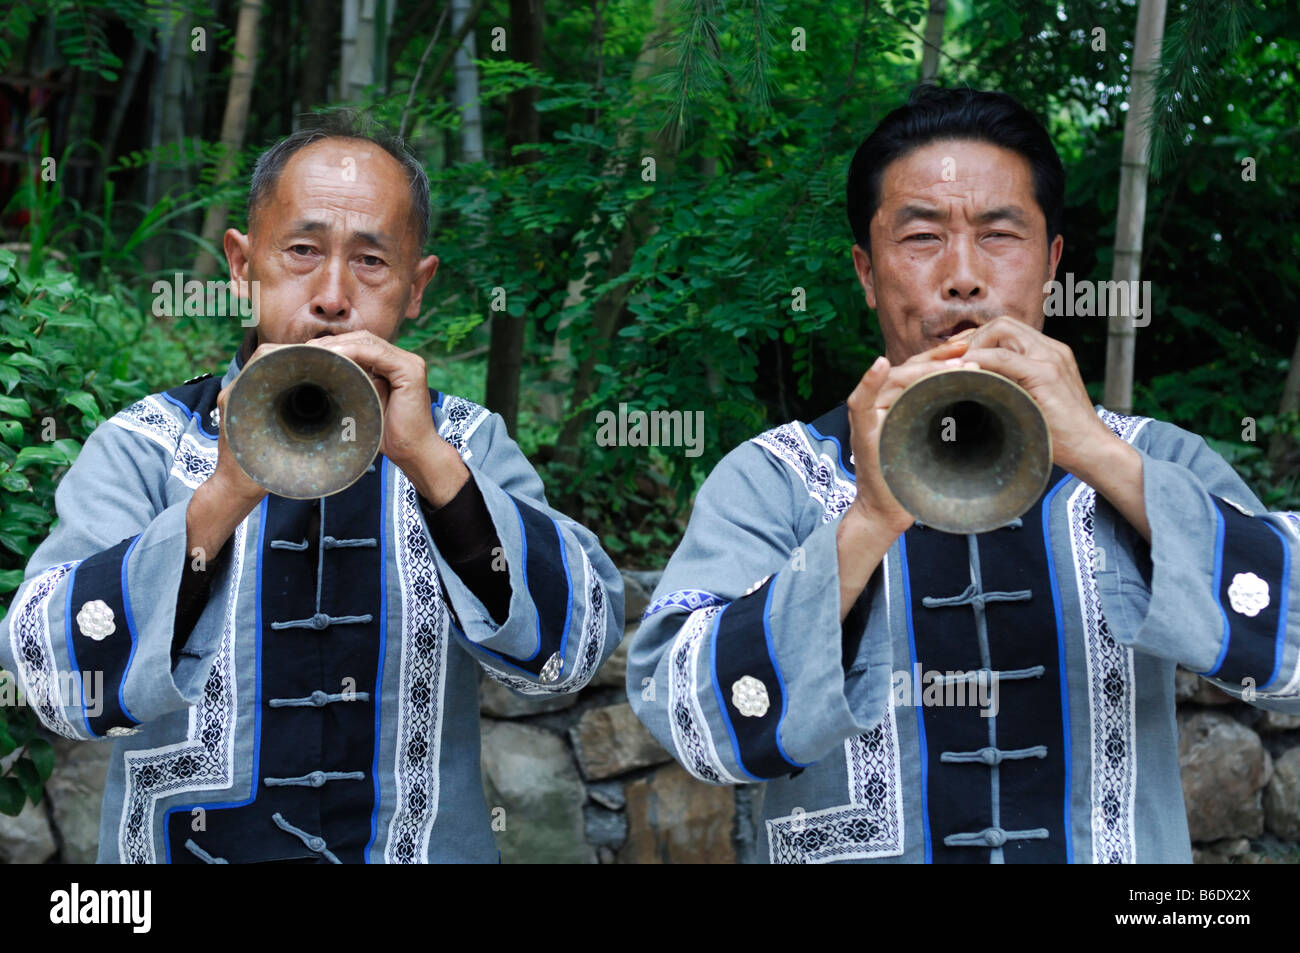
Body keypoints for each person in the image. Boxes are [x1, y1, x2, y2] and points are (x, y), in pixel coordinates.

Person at [626, 85, 1300, 864]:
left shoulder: (1159, 460)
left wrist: (1100, 454)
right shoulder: (771, 479)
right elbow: (692, 727)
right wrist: (864, 524)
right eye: (920, 238)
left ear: (1050, 263)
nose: (963, 277)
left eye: (999, 235)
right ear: (866, 272)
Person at [0, 110, 624, 863]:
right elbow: (50, 675)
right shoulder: (144, 445)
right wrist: (224, 492)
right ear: (242, 263)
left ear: (417, 286)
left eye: (371, 261)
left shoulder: (466, 445)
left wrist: (433, 466)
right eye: (301, 250)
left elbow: (575, 650)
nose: (332, 295)